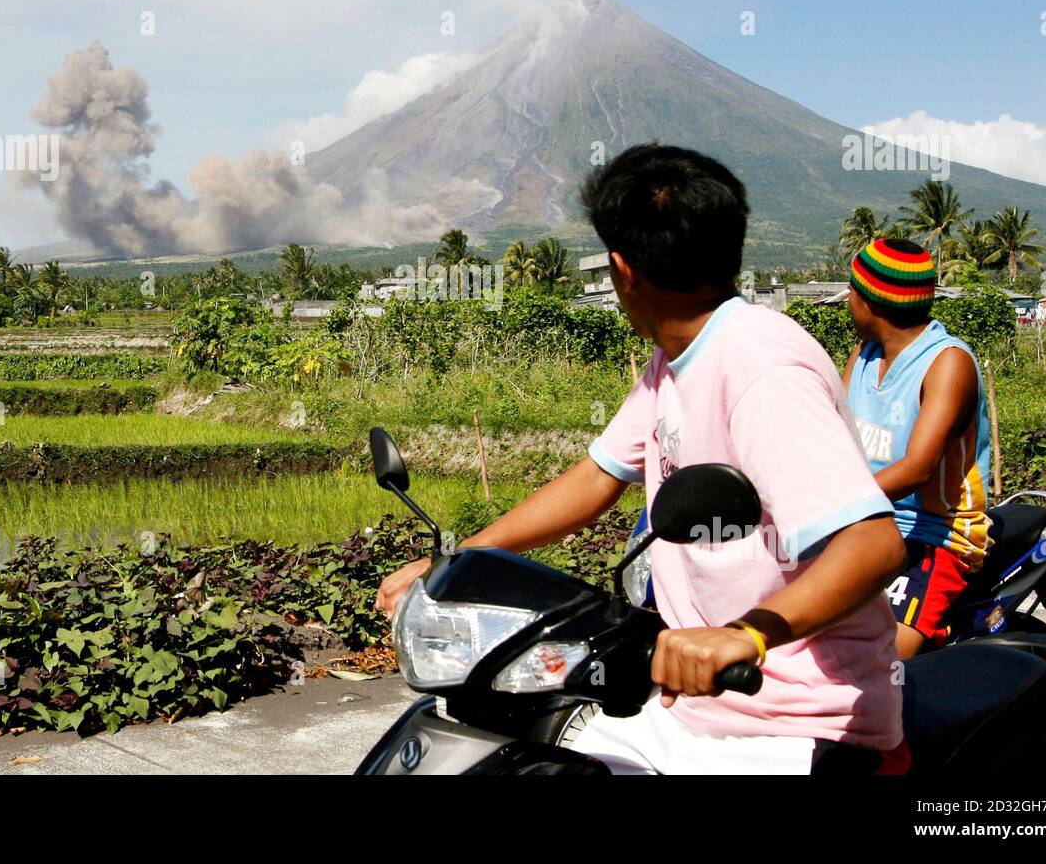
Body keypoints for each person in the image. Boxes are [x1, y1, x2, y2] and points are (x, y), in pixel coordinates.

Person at [375, 145, 908, 775]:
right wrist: (463, 560)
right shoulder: (676, 355)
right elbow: (598, 476)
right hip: (686, 710)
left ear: (624, 270)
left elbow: (873, 544)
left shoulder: (763, 367)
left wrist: (745, 636)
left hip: (789, 723)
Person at [843, 238, 993, 658]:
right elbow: (831, 433)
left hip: (933, 534)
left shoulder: (946, 362)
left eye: (851, 292)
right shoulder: (865, 354)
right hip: (865, 521)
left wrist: (832, 501)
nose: (847, 303)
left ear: (870, 302)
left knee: (875, 661)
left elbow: (918, 468)